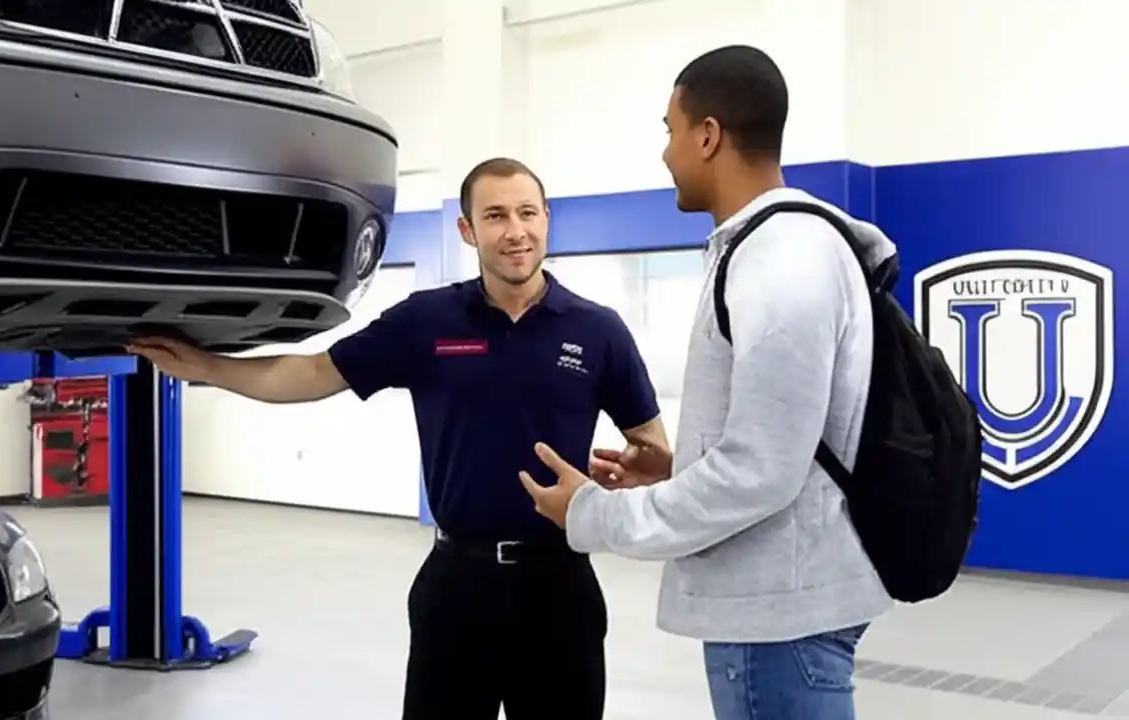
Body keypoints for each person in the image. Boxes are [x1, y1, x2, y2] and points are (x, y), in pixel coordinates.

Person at [125, 156, 669, 720]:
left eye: (528, 213)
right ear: (468, 229)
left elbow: (652, 447)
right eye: (496, 215)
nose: (516, 231)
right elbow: (315, 373)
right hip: (456, 586)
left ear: (547, 219)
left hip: (560, 587)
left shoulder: (597, 330)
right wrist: (209, 368)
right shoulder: (427, 321)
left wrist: (644, 472)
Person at [517, 45, 899, 719]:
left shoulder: (781, 262)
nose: (666, 152)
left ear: (708, 135)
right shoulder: (777, 250)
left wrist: (596, 515)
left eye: (669, 130)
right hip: (782, 602)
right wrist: (681, 469)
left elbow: (761, 472)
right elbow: (787, 445)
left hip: (773, 615)